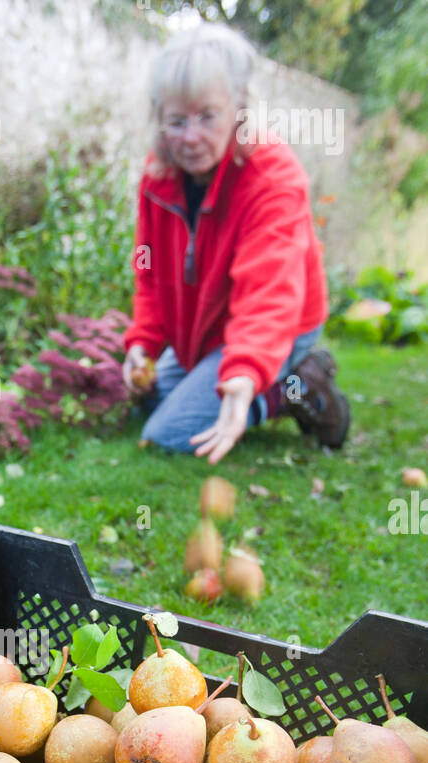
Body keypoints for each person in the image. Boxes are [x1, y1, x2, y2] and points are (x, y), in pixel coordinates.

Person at [122, 24, 349, 464]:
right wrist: (141, 346)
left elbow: (268, 295)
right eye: (177, 121)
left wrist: (243, 375)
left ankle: (291, 388)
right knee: (145, 396)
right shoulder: (158, 179)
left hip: (277, 323)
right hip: (210, 331)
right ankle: (274, 379)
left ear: (238, 109)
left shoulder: (272, 179)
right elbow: (149, 277)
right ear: (159, 118)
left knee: (169, 432)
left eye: (207, 116)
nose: (190, 137)